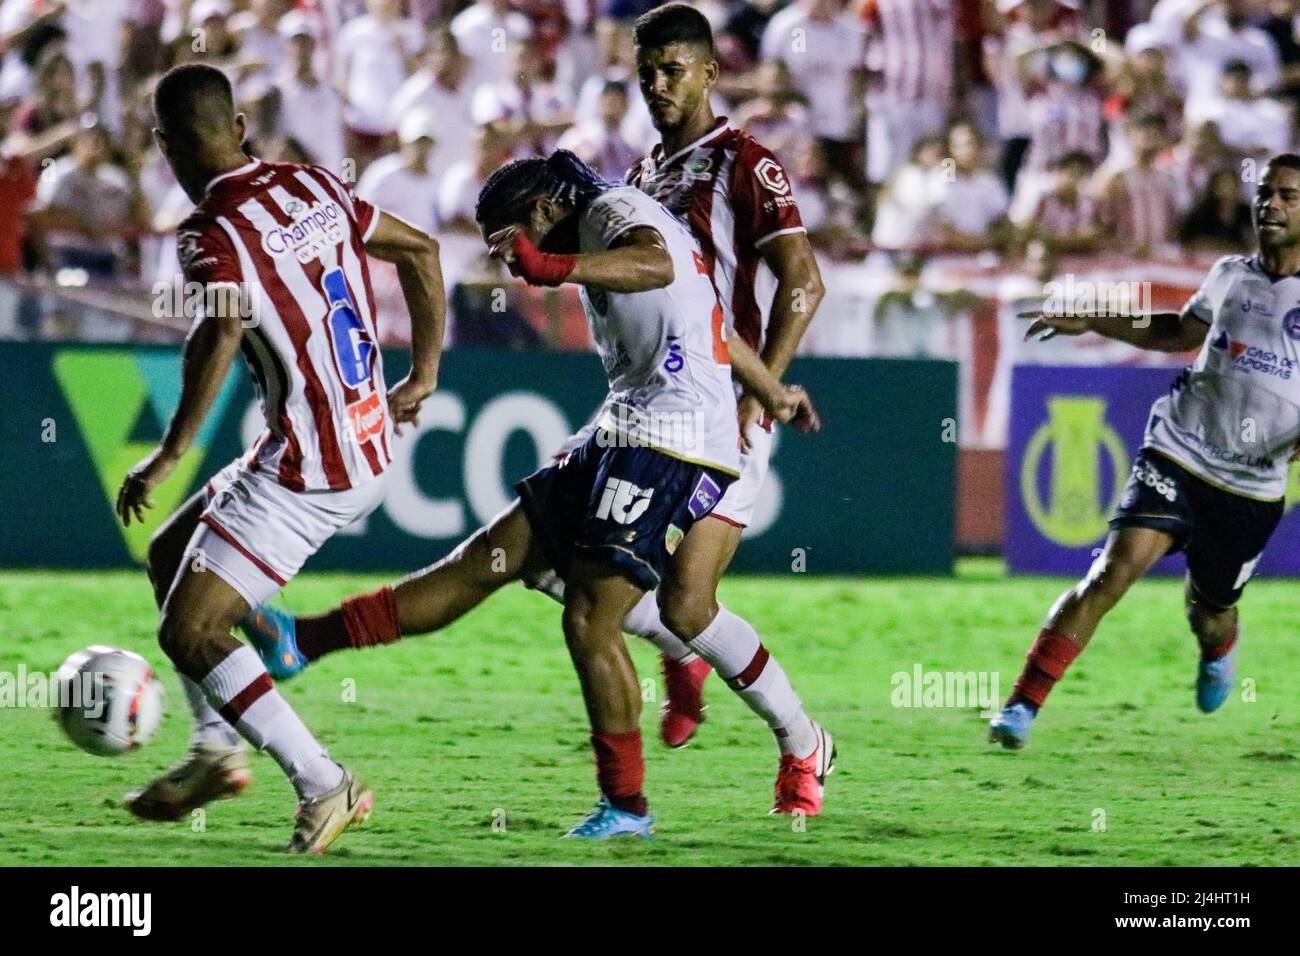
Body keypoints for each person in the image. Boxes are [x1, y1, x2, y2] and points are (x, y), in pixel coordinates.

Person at [246, 149, 824, 837]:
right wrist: (774, 391)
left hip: (677, 438)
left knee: (592, 617)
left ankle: (629, 806)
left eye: (508, 240)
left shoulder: (613, 212)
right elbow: (709, 319)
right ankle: (304, 640)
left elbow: (656, 265)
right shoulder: (604, 221)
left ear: (546, 210)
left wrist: (553, 266)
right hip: (627, 422)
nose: (508, 259)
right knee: (493, 557)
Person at [115, 63, 447, 852]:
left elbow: (220, 333)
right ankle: (216, 751)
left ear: (164, 145)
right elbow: (425, 251)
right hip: (364, 440)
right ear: (237, 126)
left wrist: (169, 455)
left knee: (191, 634)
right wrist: (425, 374)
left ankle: (323, 782)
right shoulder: (312, 185)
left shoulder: (207, 232)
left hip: (309, 468)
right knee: (171, 555)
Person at [989, 153, 1300, 750]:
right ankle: (1021, 707)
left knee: (1209, 611)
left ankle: (1219, 649)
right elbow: (1179, 330)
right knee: (1111, 572)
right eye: (1266, 195)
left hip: (1250, 487)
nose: (1272, 206)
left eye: (1288, 196)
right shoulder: (1232, 274)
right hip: (1179, 449)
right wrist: (1096, 319)